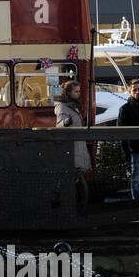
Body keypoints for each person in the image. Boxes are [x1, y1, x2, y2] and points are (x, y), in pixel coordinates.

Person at [55, 80, 91, 208]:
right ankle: (67, 206)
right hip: (72, 149)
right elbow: (59, 125)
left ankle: (73, 206)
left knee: (76, 178)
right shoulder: (63, 107)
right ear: (68, 93)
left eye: (79, 91)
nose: (78, 93)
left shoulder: (73, 106)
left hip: (77, 147)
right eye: (76, 91)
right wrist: (66, 122)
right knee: (72, 178)